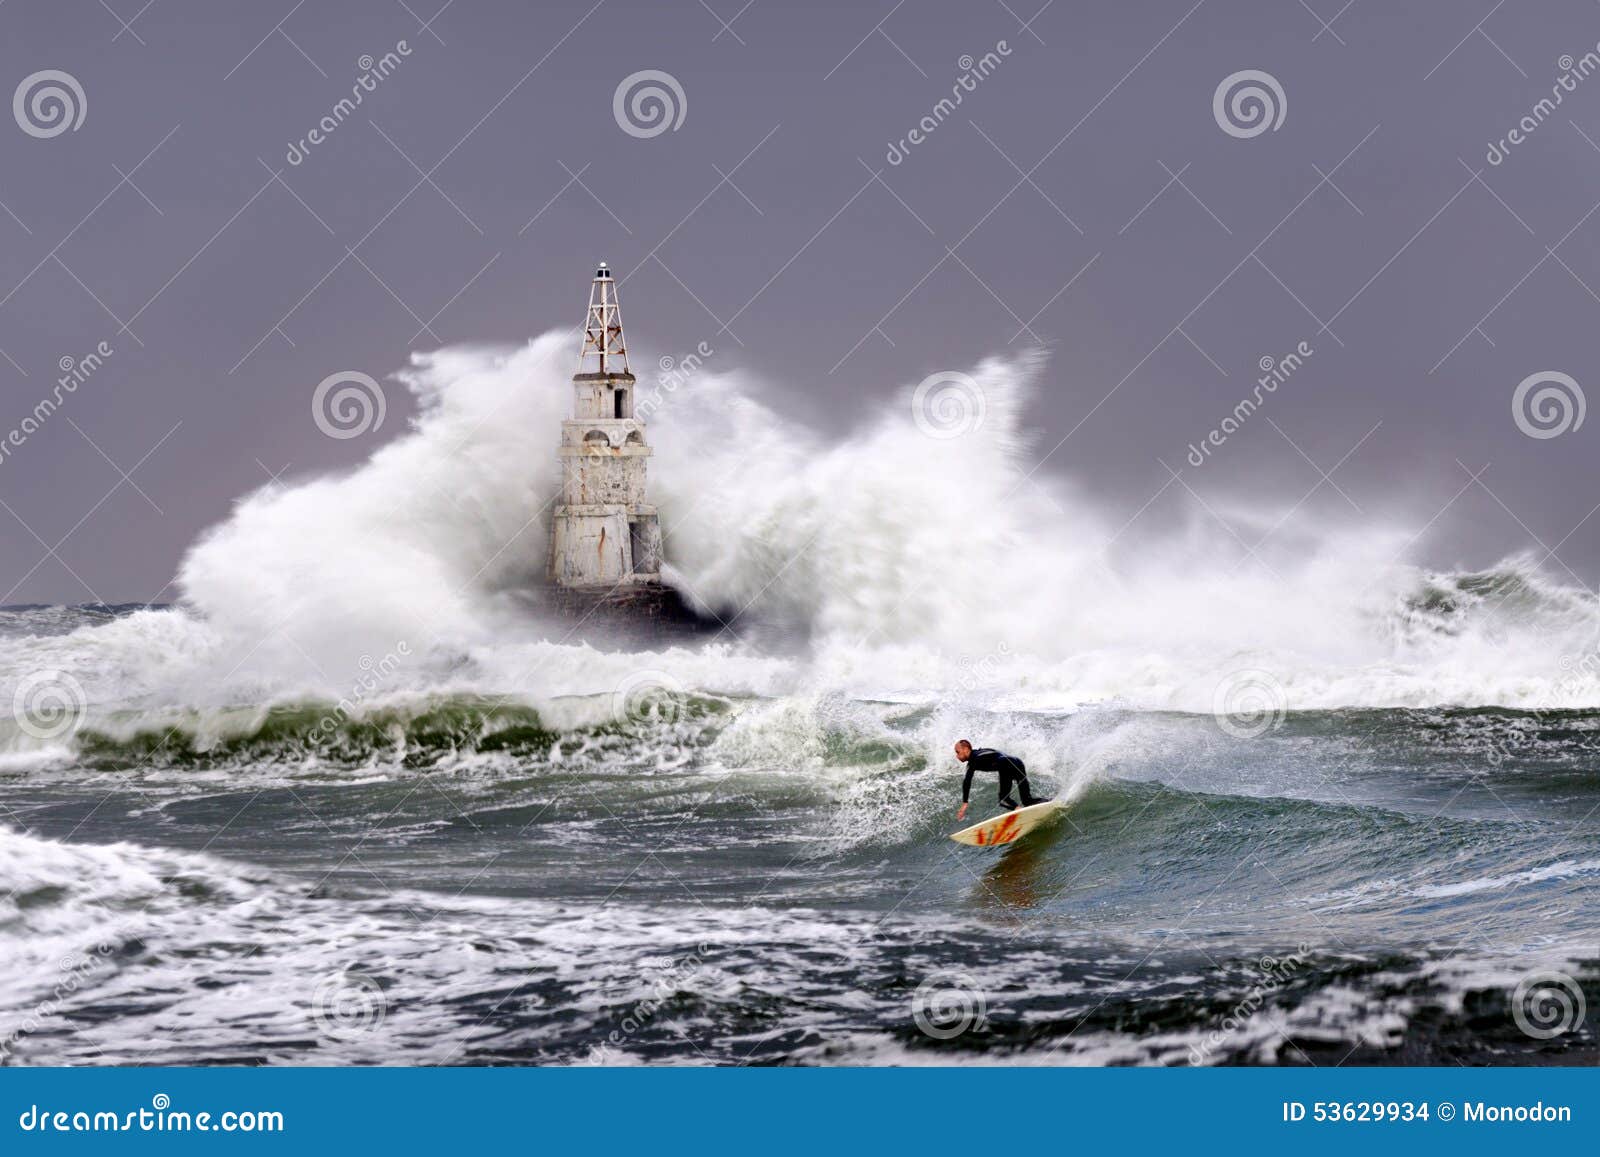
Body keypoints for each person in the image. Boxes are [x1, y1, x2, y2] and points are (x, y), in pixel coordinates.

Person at [954, 739, 1049, 820]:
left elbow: (967, 781)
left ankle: (1020, 813)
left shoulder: (974, 759)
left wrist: (965, 803)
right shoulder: (981, 753)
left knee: (1003, 799)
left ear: (966, 749)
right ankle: (1049, 802)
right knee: (1027, 801)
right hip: (1017, 762)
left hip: (1005, 764)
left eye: (958, 752)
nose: (956, 756)